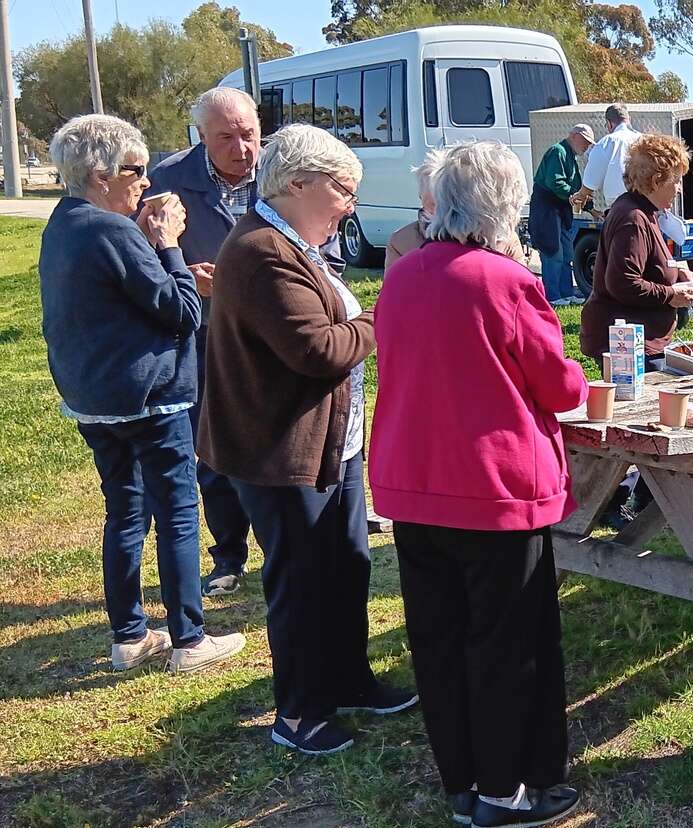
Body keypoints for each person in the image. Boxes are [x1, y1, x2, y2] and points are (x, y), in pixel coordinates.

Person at [371, 142, 588, 828]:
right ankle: (505, 791)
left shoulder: (402, 276)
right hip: (492, 487)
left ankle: (463, 780)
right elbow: (558, 385)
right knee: (507, 643)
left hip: (416, 480)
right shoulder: (505, 280)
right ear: (507, 206)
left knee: (439, 640)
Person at [201, 124, 416, 756]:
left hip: (329, 443)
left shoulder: (294, 241)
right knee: (300, 579)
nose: (351, 204)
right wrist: (379, 317)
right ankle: (297, 712)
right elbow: (318, 349)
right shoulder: (263, 249)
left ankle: (347, 679)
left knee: (346, 565)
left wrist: (356, 322)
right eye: (344, 190)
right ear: (298, 184)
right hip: (279, 450)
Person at [39, 114, 248, 675]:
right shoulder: (115, 229)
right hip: (148, 396)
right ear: (101, 173)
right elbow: (180, 314)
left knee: (125, 512)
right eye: (136, 170)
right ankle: (189, 639)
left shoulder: (64, 222)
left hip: (92, 396)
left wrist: (167, 264)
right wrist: (172, 249)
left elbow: (125, 294)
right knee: (178, 511)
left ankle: (128, 635)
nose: (145, 183)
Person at [146, 87, 262, 597]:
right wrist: (183, 276)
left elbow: (328, 238)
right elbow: (139, 261)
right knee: (213, 447)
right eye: (226, 137)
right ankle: (229, 556)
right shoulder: (168, 180)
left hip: (275, 331)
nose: (242, 148)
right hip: (206, 334)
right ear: (200, 136)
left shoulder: (286, 169)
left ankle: (284, 542)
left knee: (279, 440)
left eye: (249, 134)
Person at [578, 133, 693, 362]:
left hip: (639, 342)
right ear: (656, 181)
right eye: (676, 180)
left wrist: (679, 274)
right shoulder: (633, 218)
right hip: (628, 347)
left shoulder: (644, 211)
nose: (679, 189)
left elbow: (651, 262)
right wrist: (670, 294)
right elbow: (623, 283)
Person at [530, 124, 595, 307]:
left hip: (562, 210)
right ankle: (553, 296)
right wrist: (574, 197)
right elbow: (556, 182)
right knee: (553, 252)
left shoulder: (571, 157)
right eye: (585, 142)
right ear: (574, 136)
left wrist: (590, 208)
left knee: (567, 253)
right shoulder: (557, 152)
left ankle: (566, 293)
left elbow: (577, 187)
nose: (586, 146)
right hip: (547, 211)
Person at [385, 148, 448, 267]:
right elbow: (393, 284)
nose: (441, 213)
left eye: (448, 204)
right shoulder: (401, 242)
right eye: (434, 205)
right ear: (421, 197)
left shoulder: (486, 237)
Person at [572, 103, 639, 214]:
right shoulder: (645, 140)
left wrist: (580, 196)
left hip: (621, 209)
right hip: (647, 209)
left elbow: (590, 183)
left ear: (609, 124)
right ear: (629, 119)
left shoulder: (606, 142)